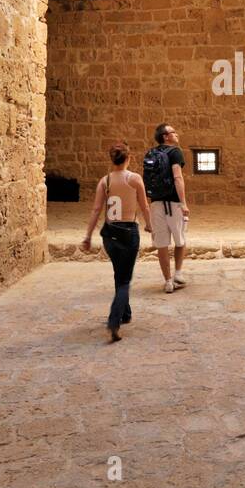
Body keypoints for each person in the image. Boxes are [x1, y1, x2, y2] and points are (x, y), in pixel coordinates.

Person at [82, 141, 152, 342]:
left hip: (110, 233)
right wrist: (149, 225)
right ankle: (114, 320)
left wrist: (88, 236)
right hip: (128, 232)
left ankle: (125, 313)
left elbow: (96, 210)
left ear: (112, 160)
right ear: (129, 158)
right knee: (124, 280)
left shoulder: (105, 181)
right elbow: (144, 206)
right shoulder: (135, 179)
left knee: (119, 273)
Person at [142, 123, 189, 294]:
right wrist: (183, 202)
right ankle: (178, 273)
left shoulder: (151, 153)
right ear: (165, 136)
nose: (176, 134)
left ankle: (168, 282)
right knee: (180, 239)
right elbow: (178, 177)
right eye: (173, 132)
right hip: (173, 203)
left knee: (161, 244)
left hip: (156, 203)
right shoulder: (175, 152)